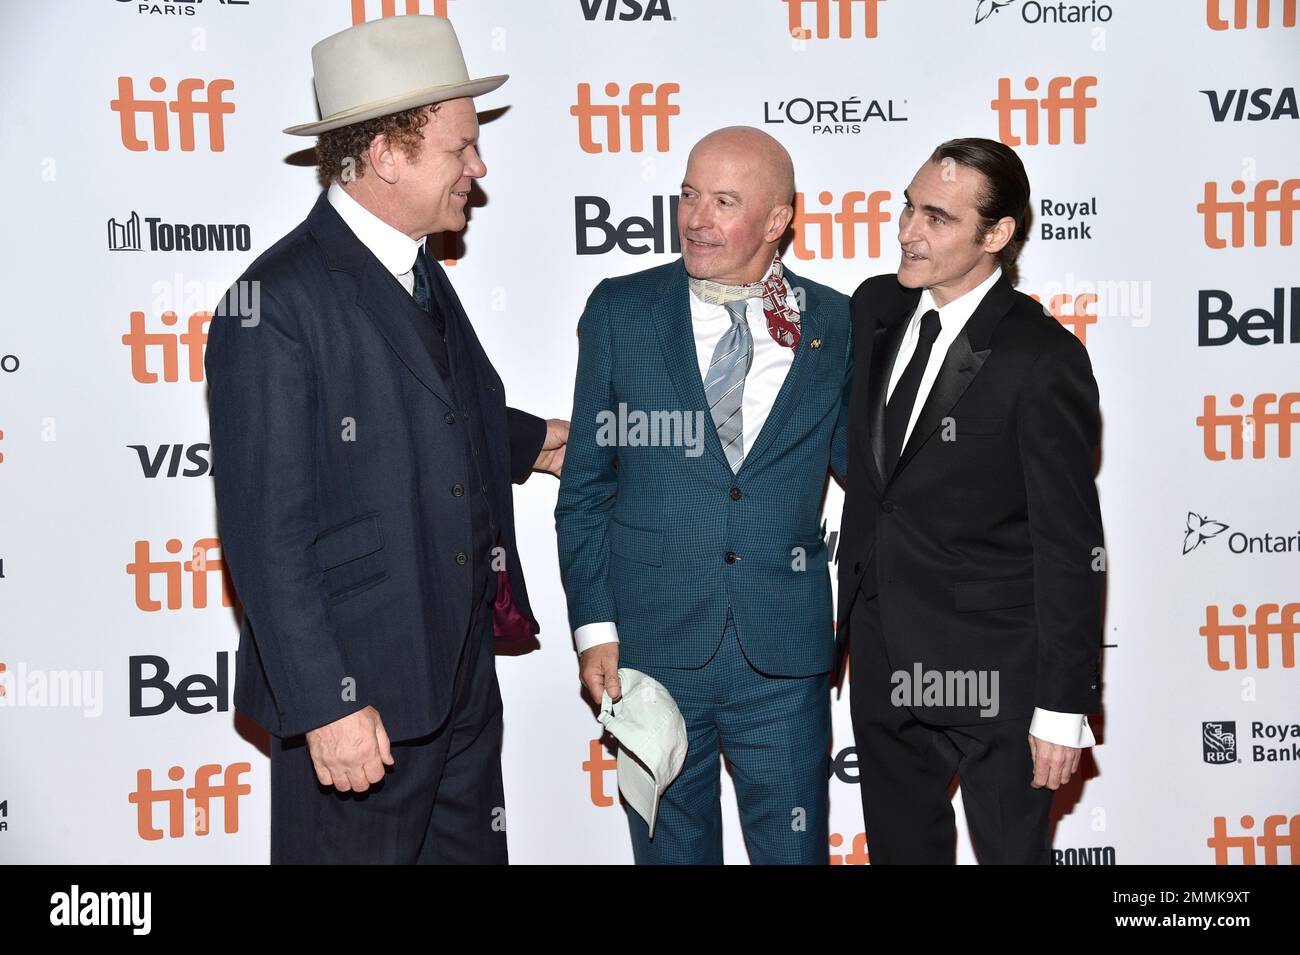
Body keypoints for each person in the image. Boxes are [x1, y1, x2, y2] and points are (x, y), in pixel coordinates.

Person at [205, 14, 567, 864]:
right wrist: (326, 705)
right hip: (356, 703)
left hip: (460, 688)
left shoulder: (415, 266)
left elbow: (434, 411)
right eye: (460, 148)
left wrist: (540, 441)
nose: (478, 168)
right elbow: (266, 536)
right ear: (386, 154)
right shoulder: (274, 306)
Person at [556, 126, 853, 864]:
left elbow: (876, 479)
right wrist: (595, 629)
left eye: (724, 201)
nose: (696, 217)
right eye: (689, 194)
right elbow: (587, 486)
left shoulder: (837, 322)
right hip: (654, 650)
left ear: (778, 219)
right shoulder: (622, 310)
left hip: (784, 656)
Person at [836, 137, 1105, 864]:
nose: (908, 231)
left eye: (938, 217)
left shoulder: (1041, 357)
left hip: (1000, 679)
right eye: (908, 206)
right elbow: (874, 473)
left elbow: (1071, 543)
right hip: (885, 659)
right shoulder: (875, 307)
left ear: (996, 235)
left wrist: (1063, 704)